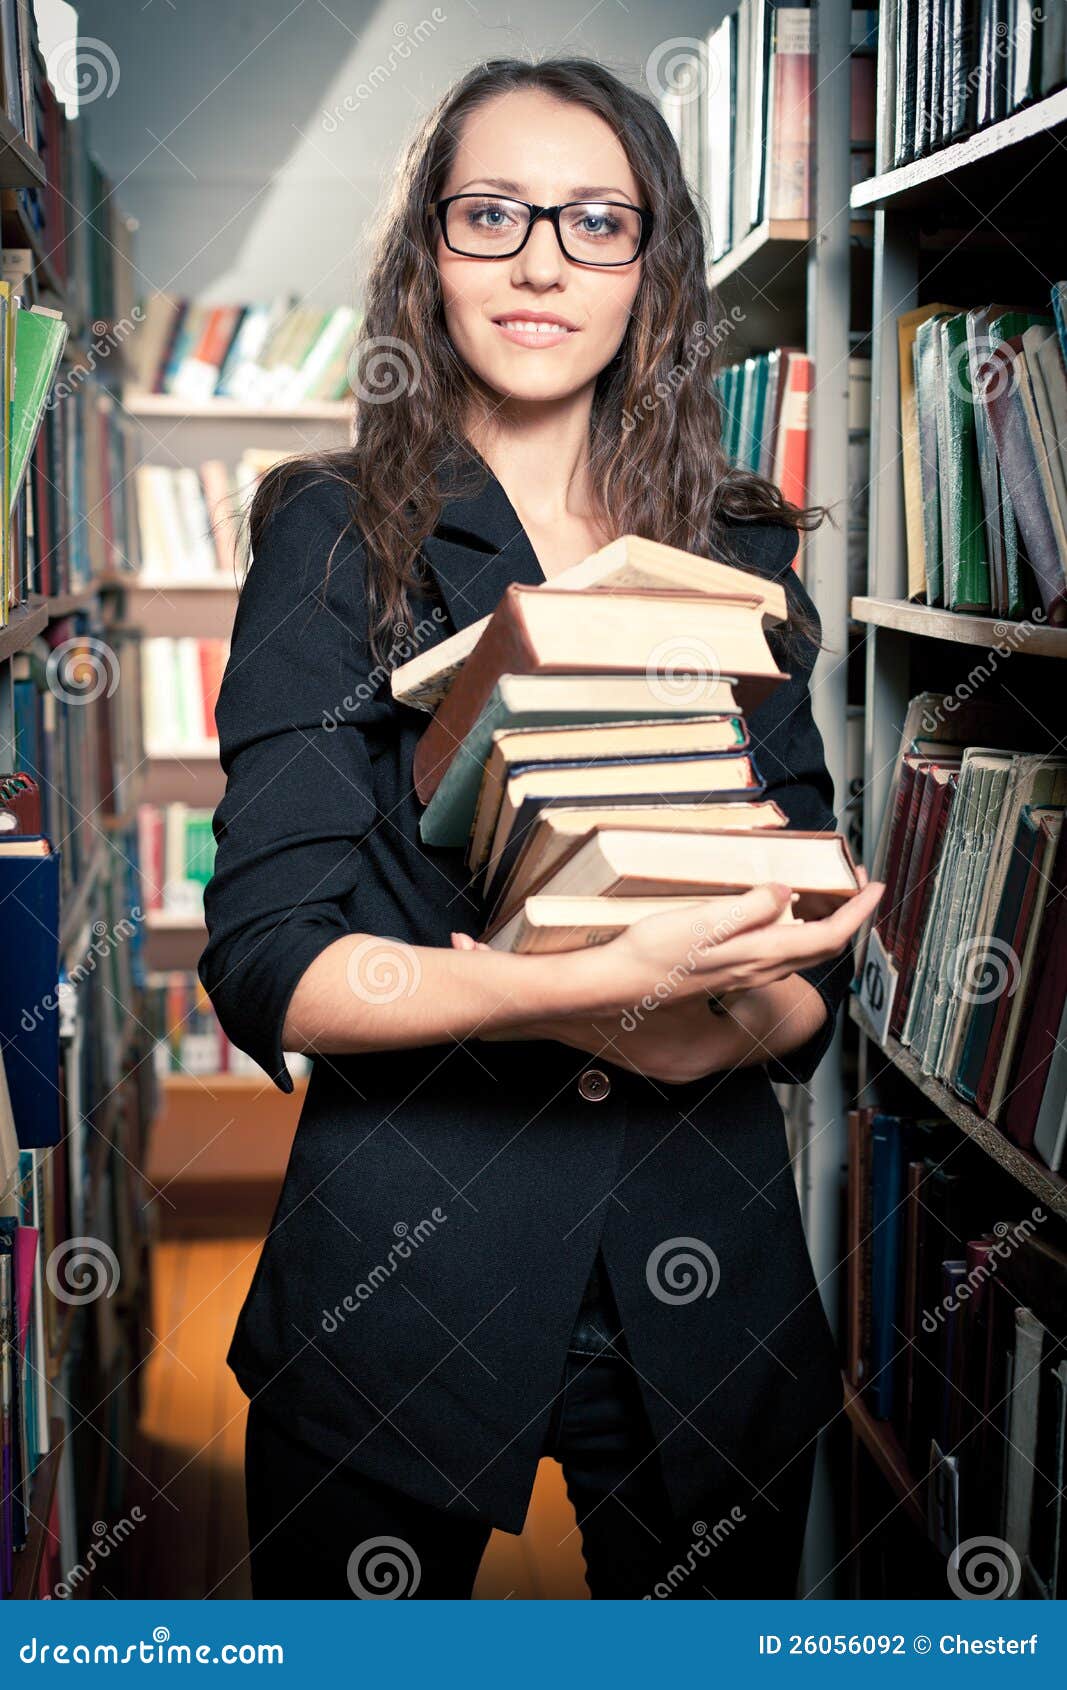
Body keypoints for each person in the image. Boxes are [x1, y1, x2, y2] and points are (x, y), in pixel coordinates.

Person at [199, 56, 883, 1601]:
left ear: (651, 265)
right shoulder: (331, 533)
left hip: (708, 1294)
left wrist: (731, 1007)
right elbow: (270, 962)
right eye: (493, 213)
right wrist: (584, 989)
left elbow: (810, 988)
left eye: (596, 221)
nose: (541, 263)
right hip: (405, 1278)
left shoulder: (739, 547)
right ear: (429, 252)